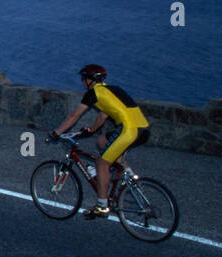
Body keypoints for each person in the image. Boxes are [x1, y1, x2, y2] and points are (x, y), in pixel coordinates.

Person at [48, 64, 150, 218]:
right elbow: (103, 115)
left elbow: (73, 116)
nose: (83, 81)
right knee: (102, 142)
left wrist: (56, 132)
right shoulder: (112, 90)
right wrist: (92, 129)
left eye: (84, 78)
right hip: (143, 129)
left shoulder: (93, 94)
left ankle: (102, 206)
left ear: (90, 80)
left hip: (128, 130)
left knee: (102, 163)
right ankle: (128, 175)